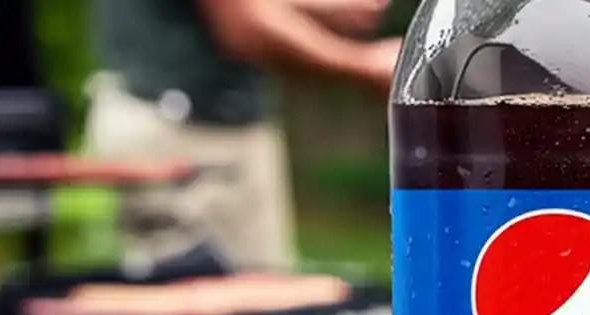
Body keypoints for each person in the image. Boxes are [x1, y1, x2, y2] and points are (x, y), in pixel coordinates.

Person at [87, 0, 401, 270]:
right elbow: (243, 24)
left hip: (169, 121)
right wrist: (364, 63)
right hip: (194, 138)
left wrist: (311, 8)